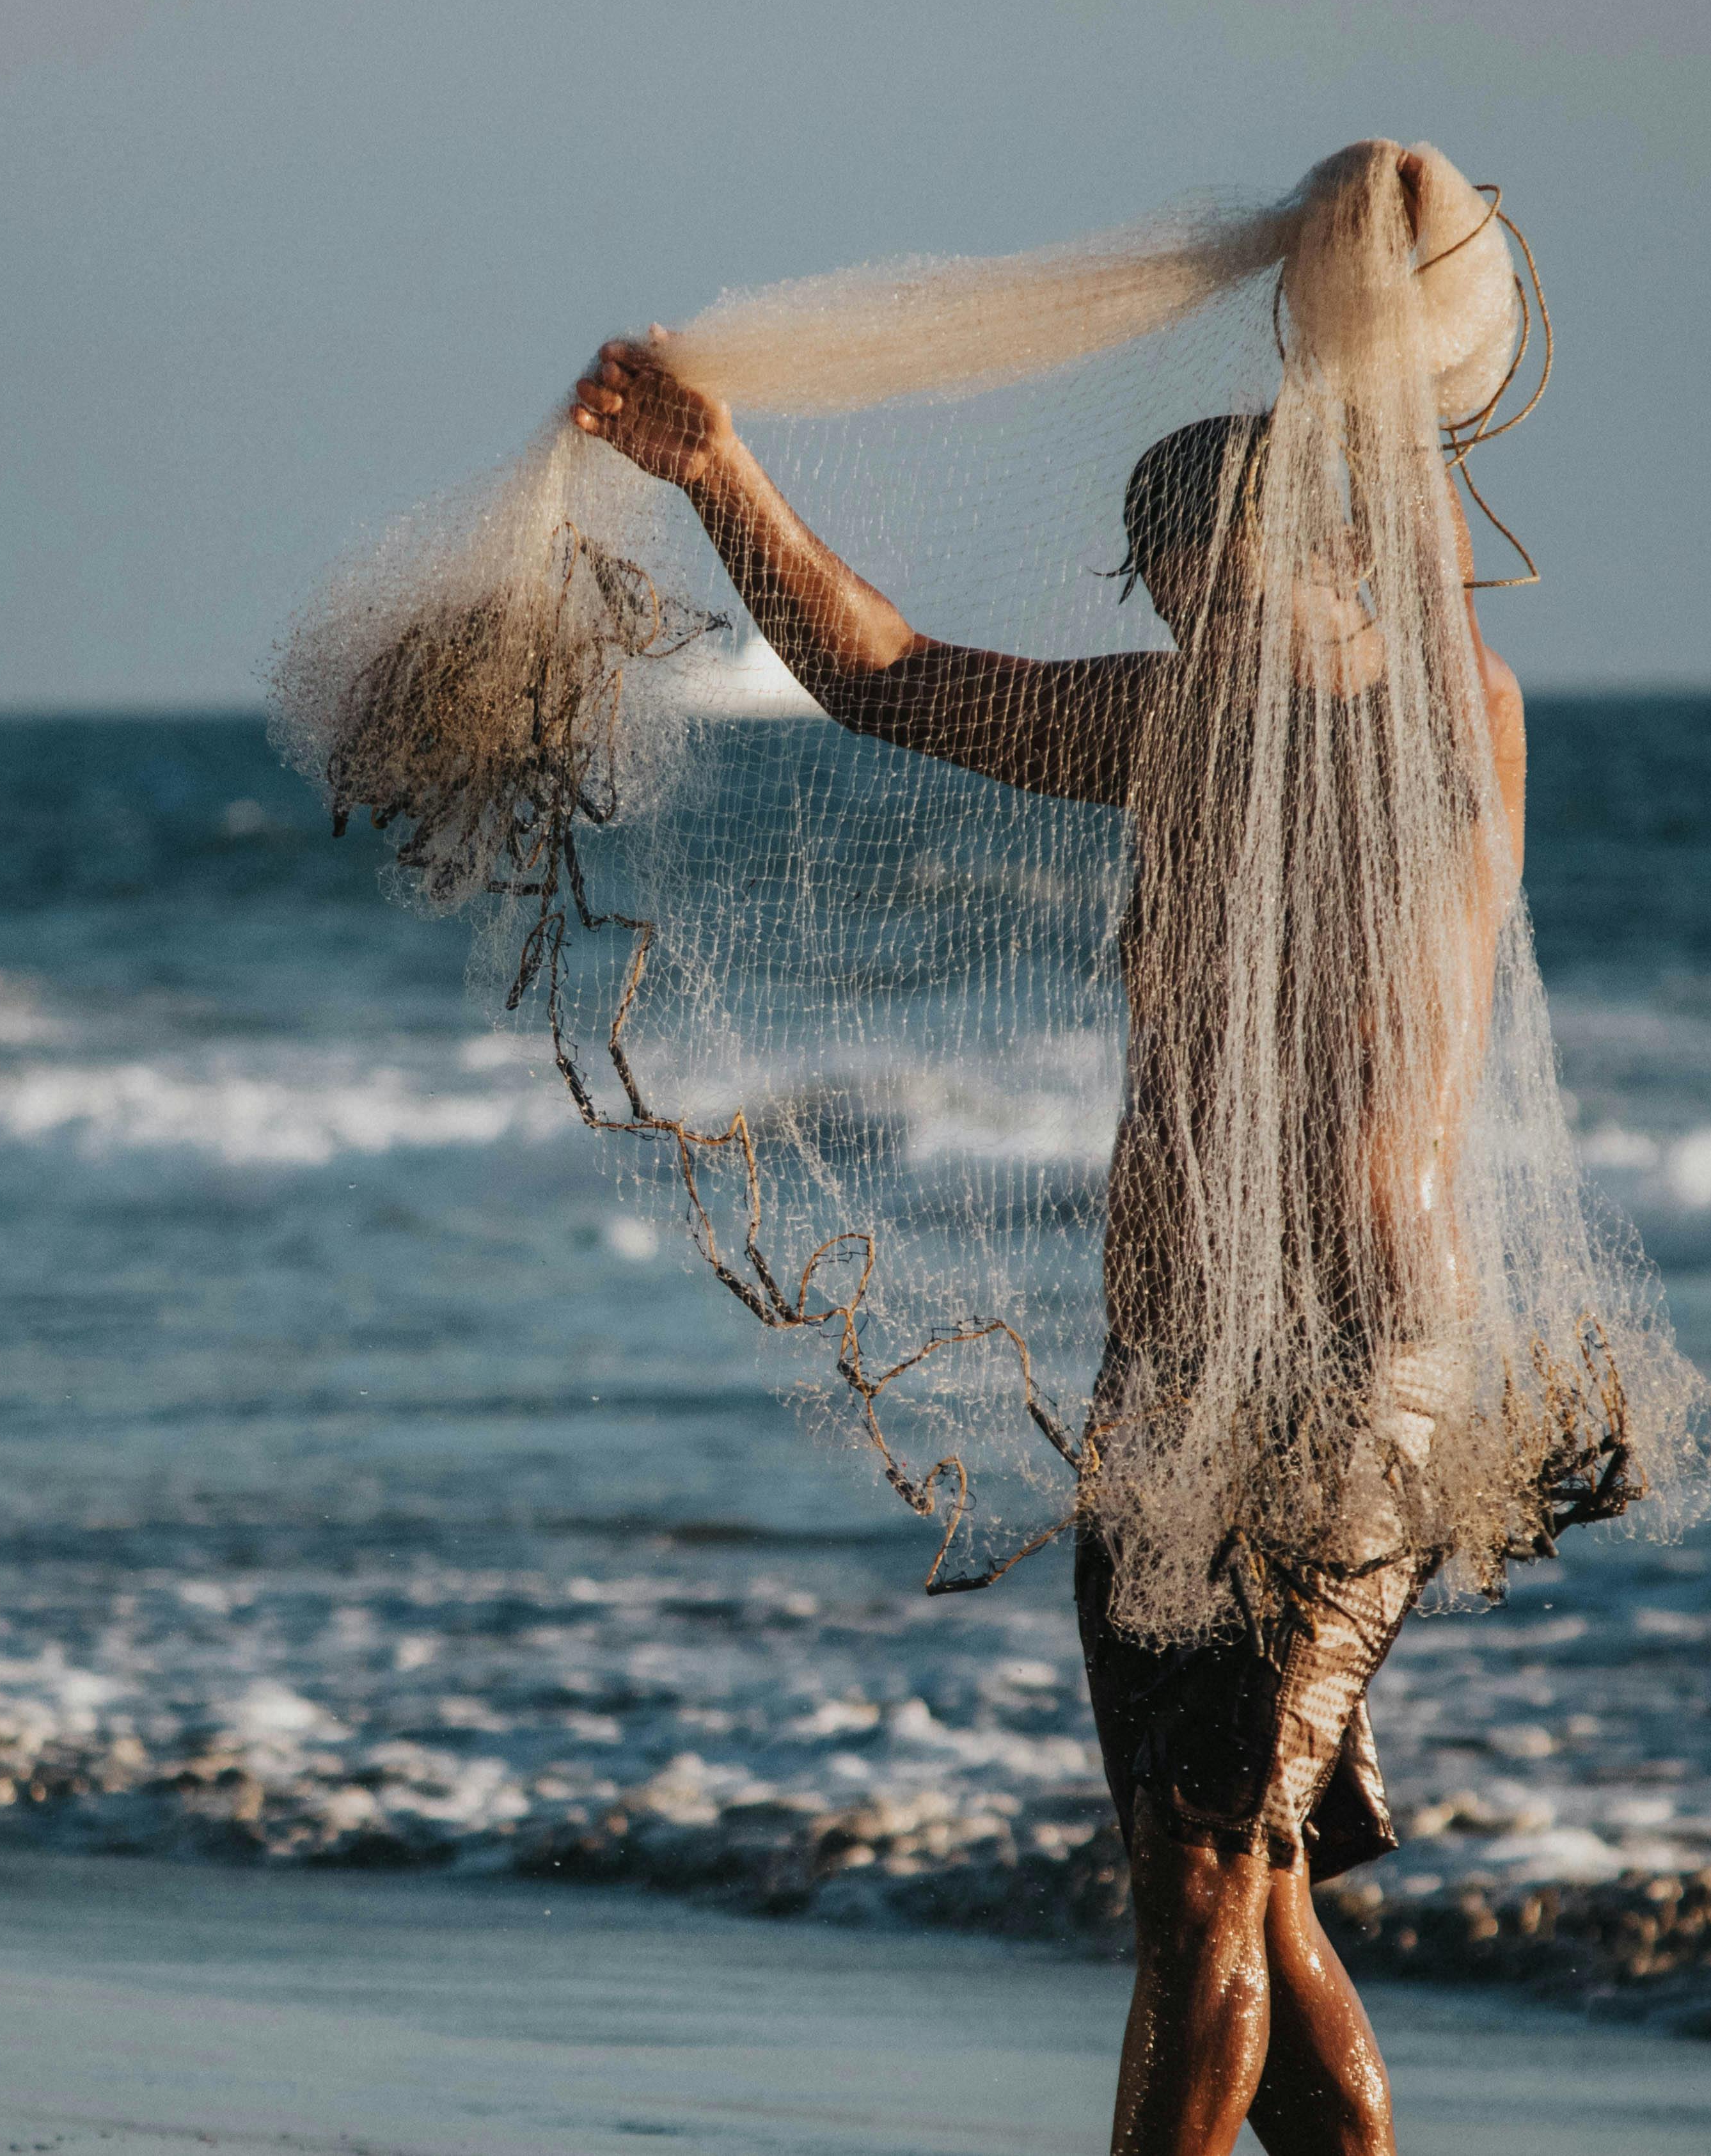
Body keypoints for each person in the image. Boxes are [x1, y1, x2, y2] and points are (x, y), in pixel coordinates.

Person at [565, 150, 1520, 2156]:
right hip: (1170, 1380)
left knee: (1208, 1881)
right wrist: (715, 470)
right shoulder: (1187, 727)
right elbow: (886, 681)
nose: (1205, 615)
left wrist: (1371, 334)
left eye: (1231, 575)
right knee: (1228, 1880)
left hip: (1347, 1370)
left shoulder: (1442, 719)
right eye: (1177, 591)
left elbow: (1420, 591)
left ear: (1340, 548)